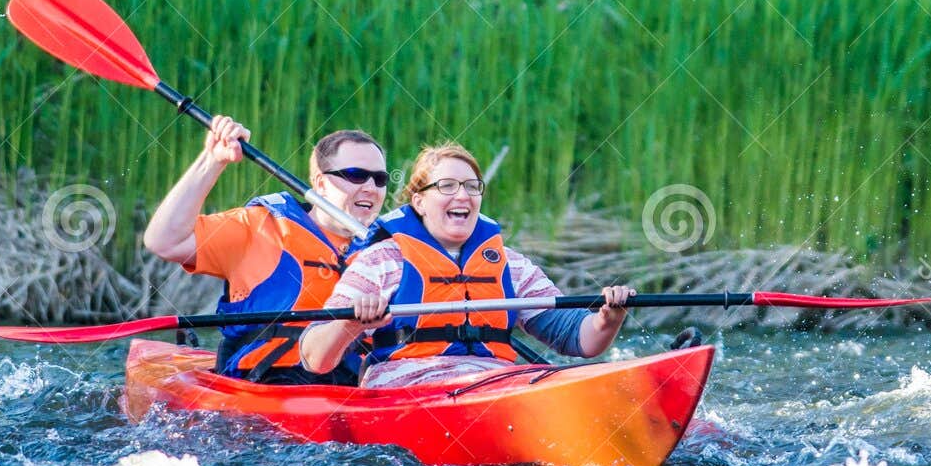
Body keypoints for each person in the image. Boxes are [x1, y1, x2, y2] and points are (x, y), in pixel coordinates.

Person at [298, 142, 634, 388]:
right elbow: (316, 358)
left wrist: (608, 318)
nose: (463, 196)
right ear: (419, 202)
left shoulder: (511, 265)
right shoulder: (383, 261)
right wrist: (353, 324)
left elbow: (577, 339)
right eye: (447, 186)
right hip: (410, 391)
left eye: (473, 187)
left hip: (497, 386)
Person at [142, 117, 390, 385]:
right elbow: (165, 241)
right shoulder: (259, 227)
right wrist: (212, 161)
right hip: (264, 384)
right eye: (355, 175)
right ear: (319, 183)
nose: (370, 188)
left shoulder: (388, 248)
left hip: (355, 386)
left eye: (380, 179)